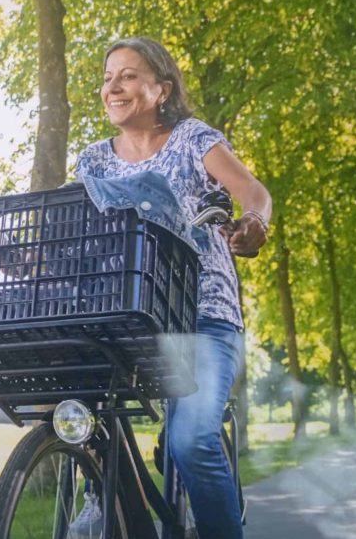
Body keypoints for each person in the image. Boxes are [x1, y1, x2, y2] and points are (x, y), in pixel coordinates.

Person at [72, 37, 271, 539]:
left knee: (190, 441)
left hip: (202, 312)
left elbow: (252, 190)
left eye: (129, 75)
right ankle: (102, 497)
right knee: (79, 411)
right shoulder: (93, 161)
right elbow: (78, 231)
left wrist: (254, 220)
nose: (113, 86)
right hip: (127, 311)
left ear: (161, 89)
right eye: (108, 75)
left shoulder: (192, 139)